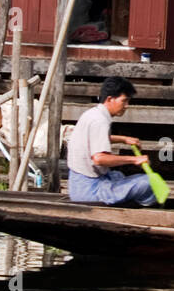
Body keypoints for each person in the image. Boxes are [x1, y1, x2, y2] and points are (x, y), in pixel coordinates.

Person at [65, 76, 156, 206]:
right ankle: (135, 211)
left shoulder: (93, 113)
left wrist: (124, 139)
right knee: (148, 183)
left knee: (117, 175)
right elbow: (99, 158)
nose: (126, 106)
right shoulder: (100, 121)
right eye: (124, 101)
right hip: (88, 191)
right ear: (110, 99)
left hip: (78, 184)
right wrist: (134, 159)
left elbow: (94, 139)